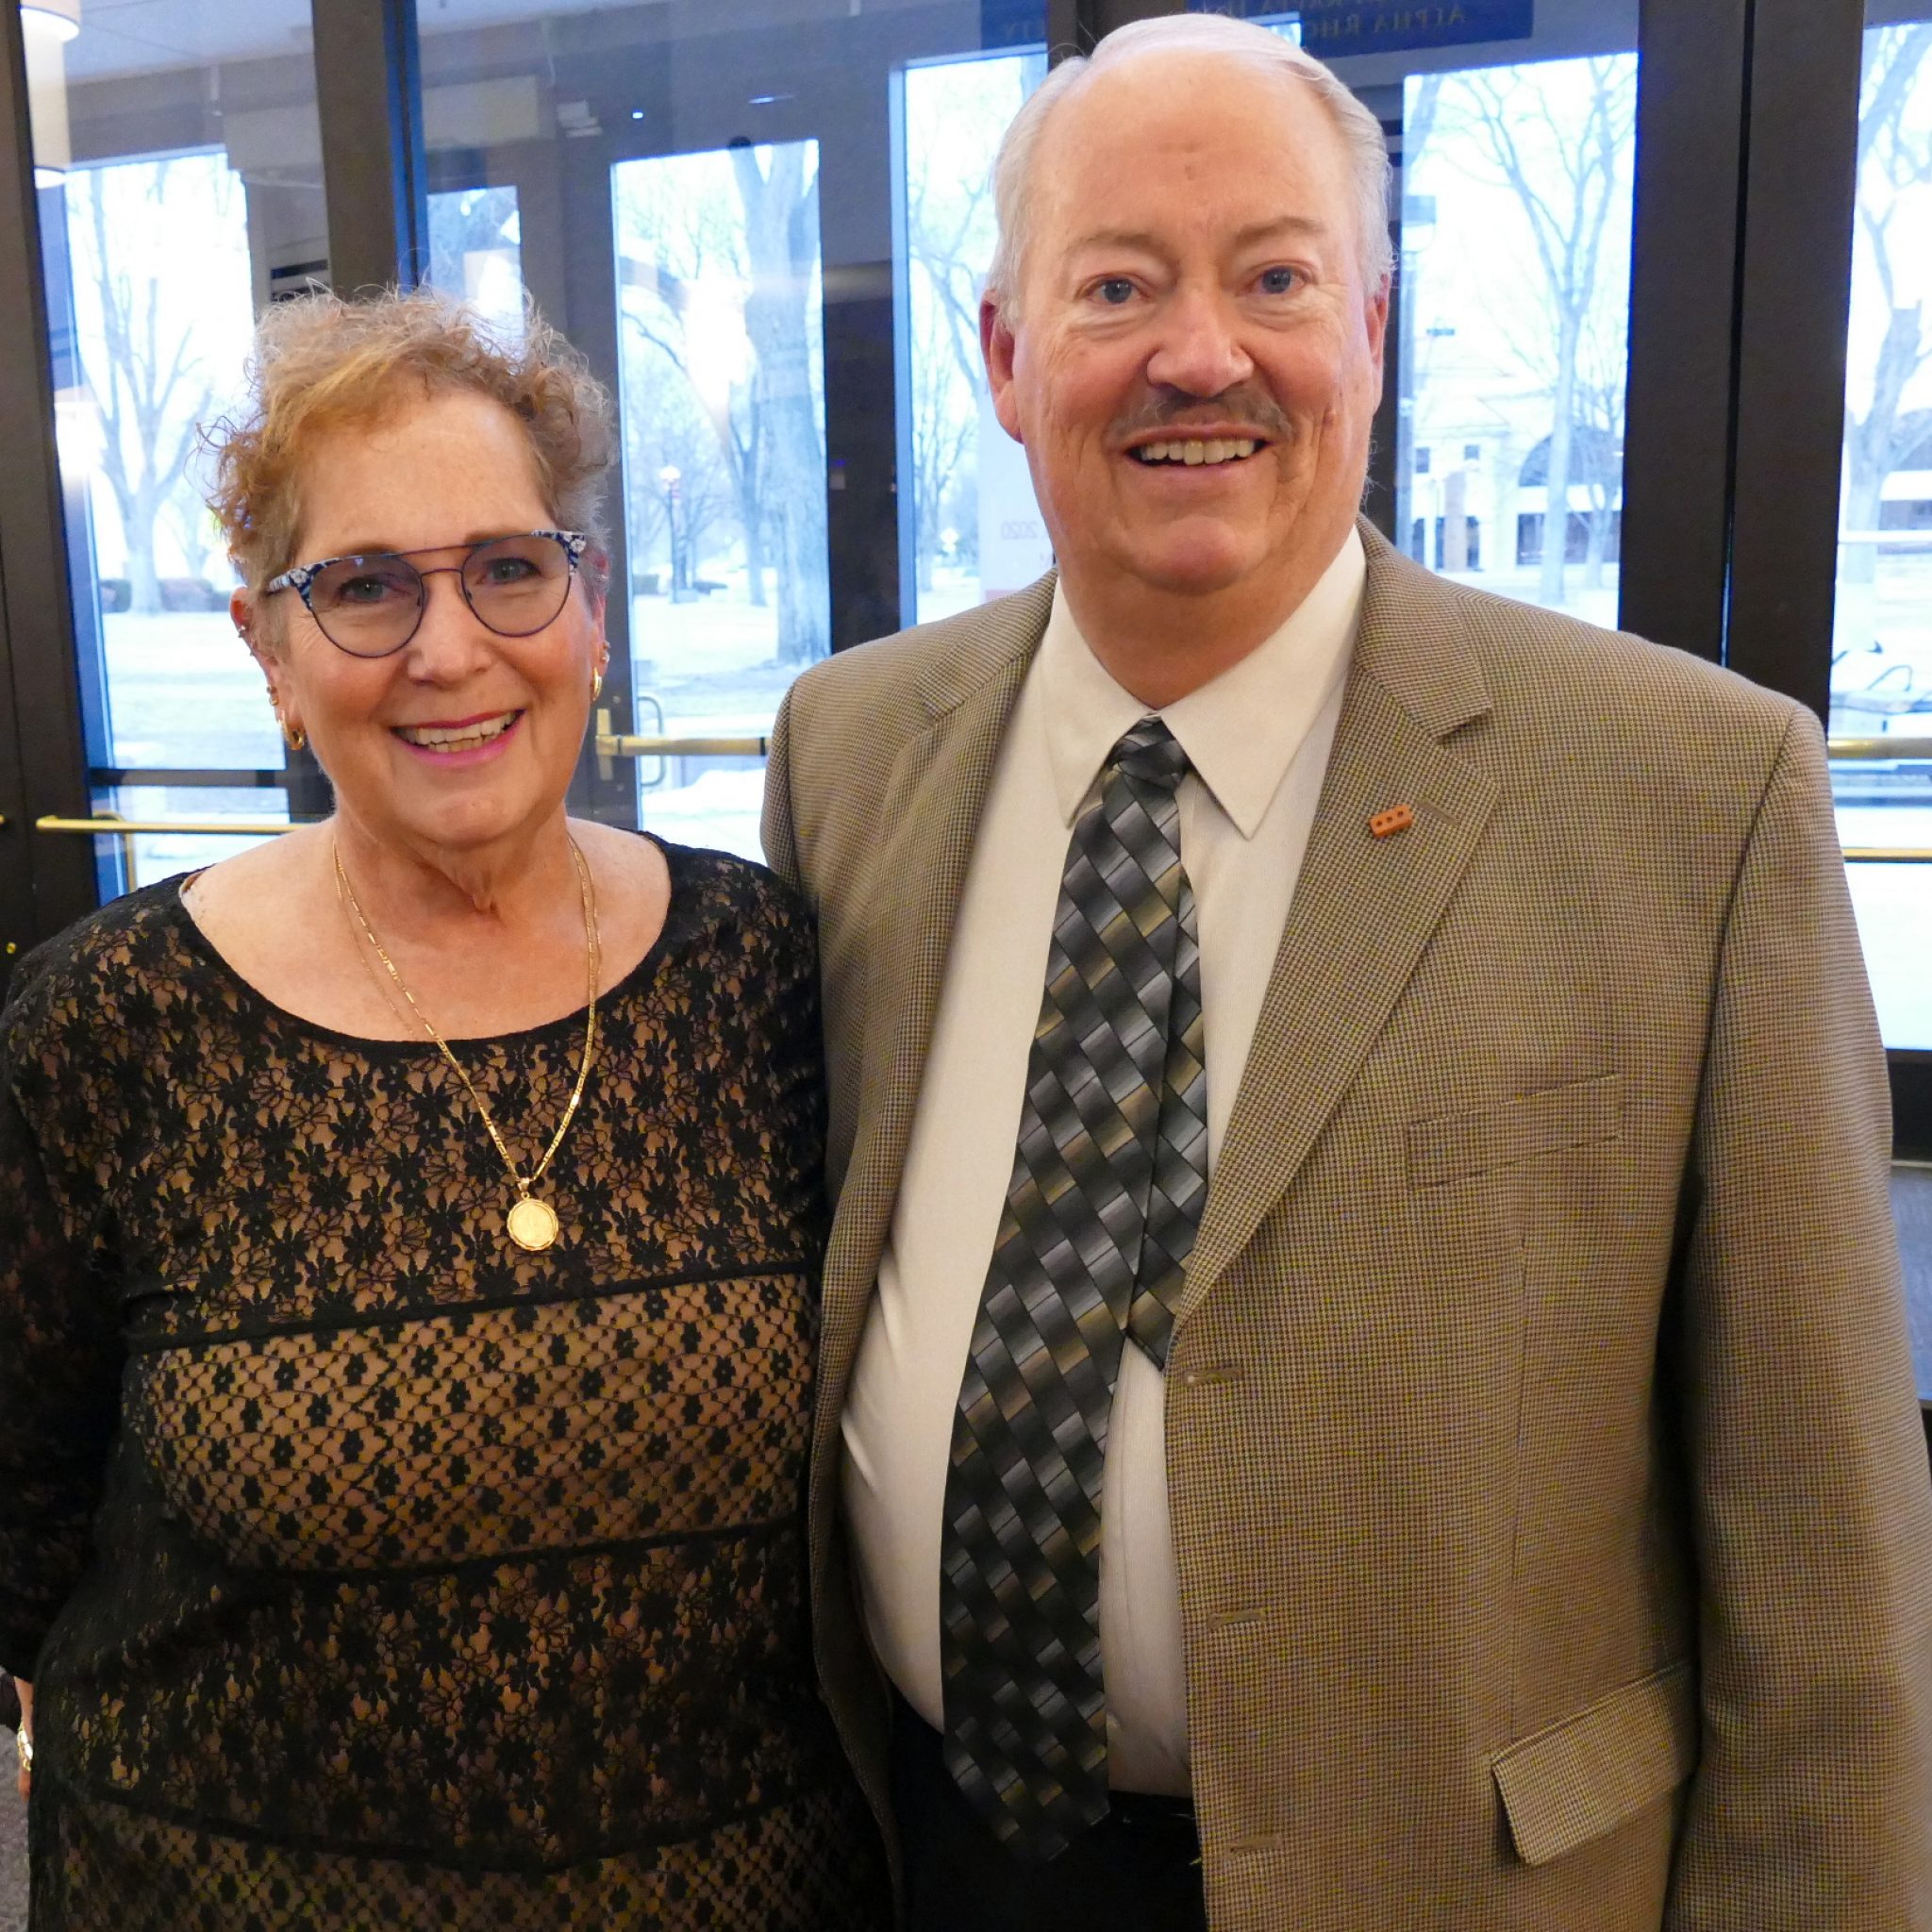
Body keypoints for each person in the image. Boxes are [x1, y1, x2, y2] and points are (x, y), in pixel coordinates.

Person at [762, 16, 1932, 1930]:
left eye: (1276, 278)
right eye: (1115, 285)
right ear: (1005, 356)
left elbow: (1821, 1548)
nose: (1198, 354)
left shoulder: (1689, 795)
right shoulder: (853, 749)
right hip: (945, 1855)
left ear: (1373, 332)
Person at [0, 288, 888, 1929]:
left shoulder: (761, 967)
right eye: (363, 588)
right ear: (269, 653)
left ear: (590, 609)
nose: (451, 649)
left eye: (507, 568)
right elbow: (22, 1530)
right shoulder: (109, 1030)